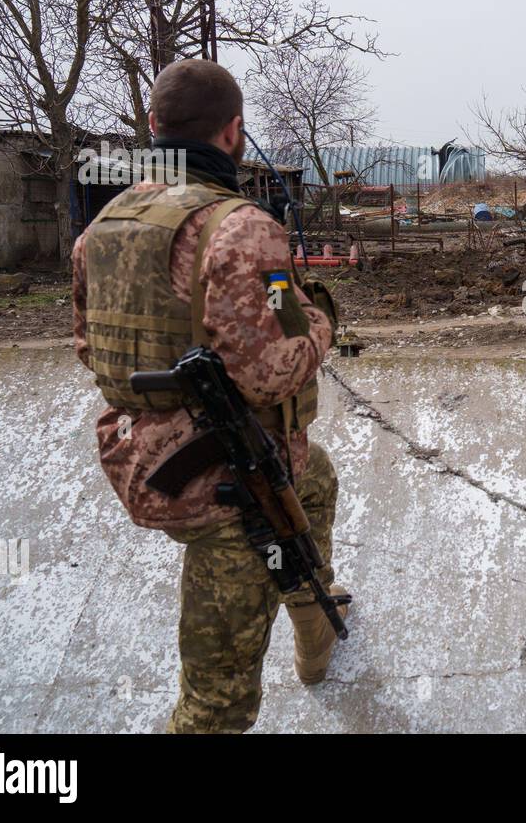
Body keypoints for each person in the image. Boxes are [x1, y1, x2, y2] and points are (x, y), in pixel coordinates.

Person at [71, 58, 345, 733]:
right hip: (225, 481)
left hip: (137, 456)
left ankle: (316, 614)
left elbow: (86, 344)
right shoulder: (244, 228)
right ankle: (301, 609)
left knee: (316, 481)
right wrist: (320, 328)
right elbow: (274, 363)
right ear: (234, 133)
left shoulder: (102, 228)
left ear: (155, 127)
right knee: (215, 707)